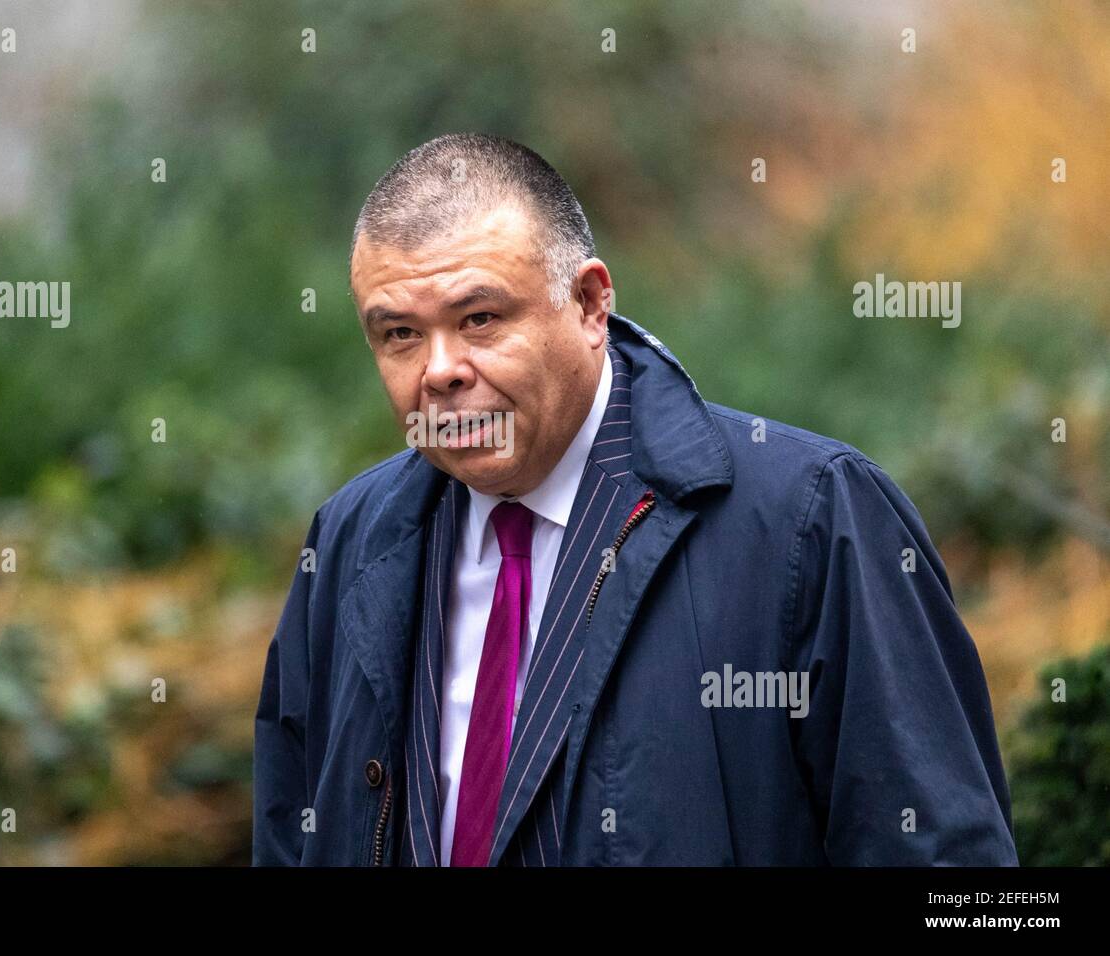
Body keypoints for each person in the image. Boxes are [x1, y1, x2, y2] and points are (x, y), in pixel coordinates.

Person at [251, 132, 1018, 866]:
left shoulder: (809, 519)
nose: (440, 370)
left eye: (479, 318)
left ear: (589, 304)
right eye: (400, 335)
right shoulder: (351, 540)